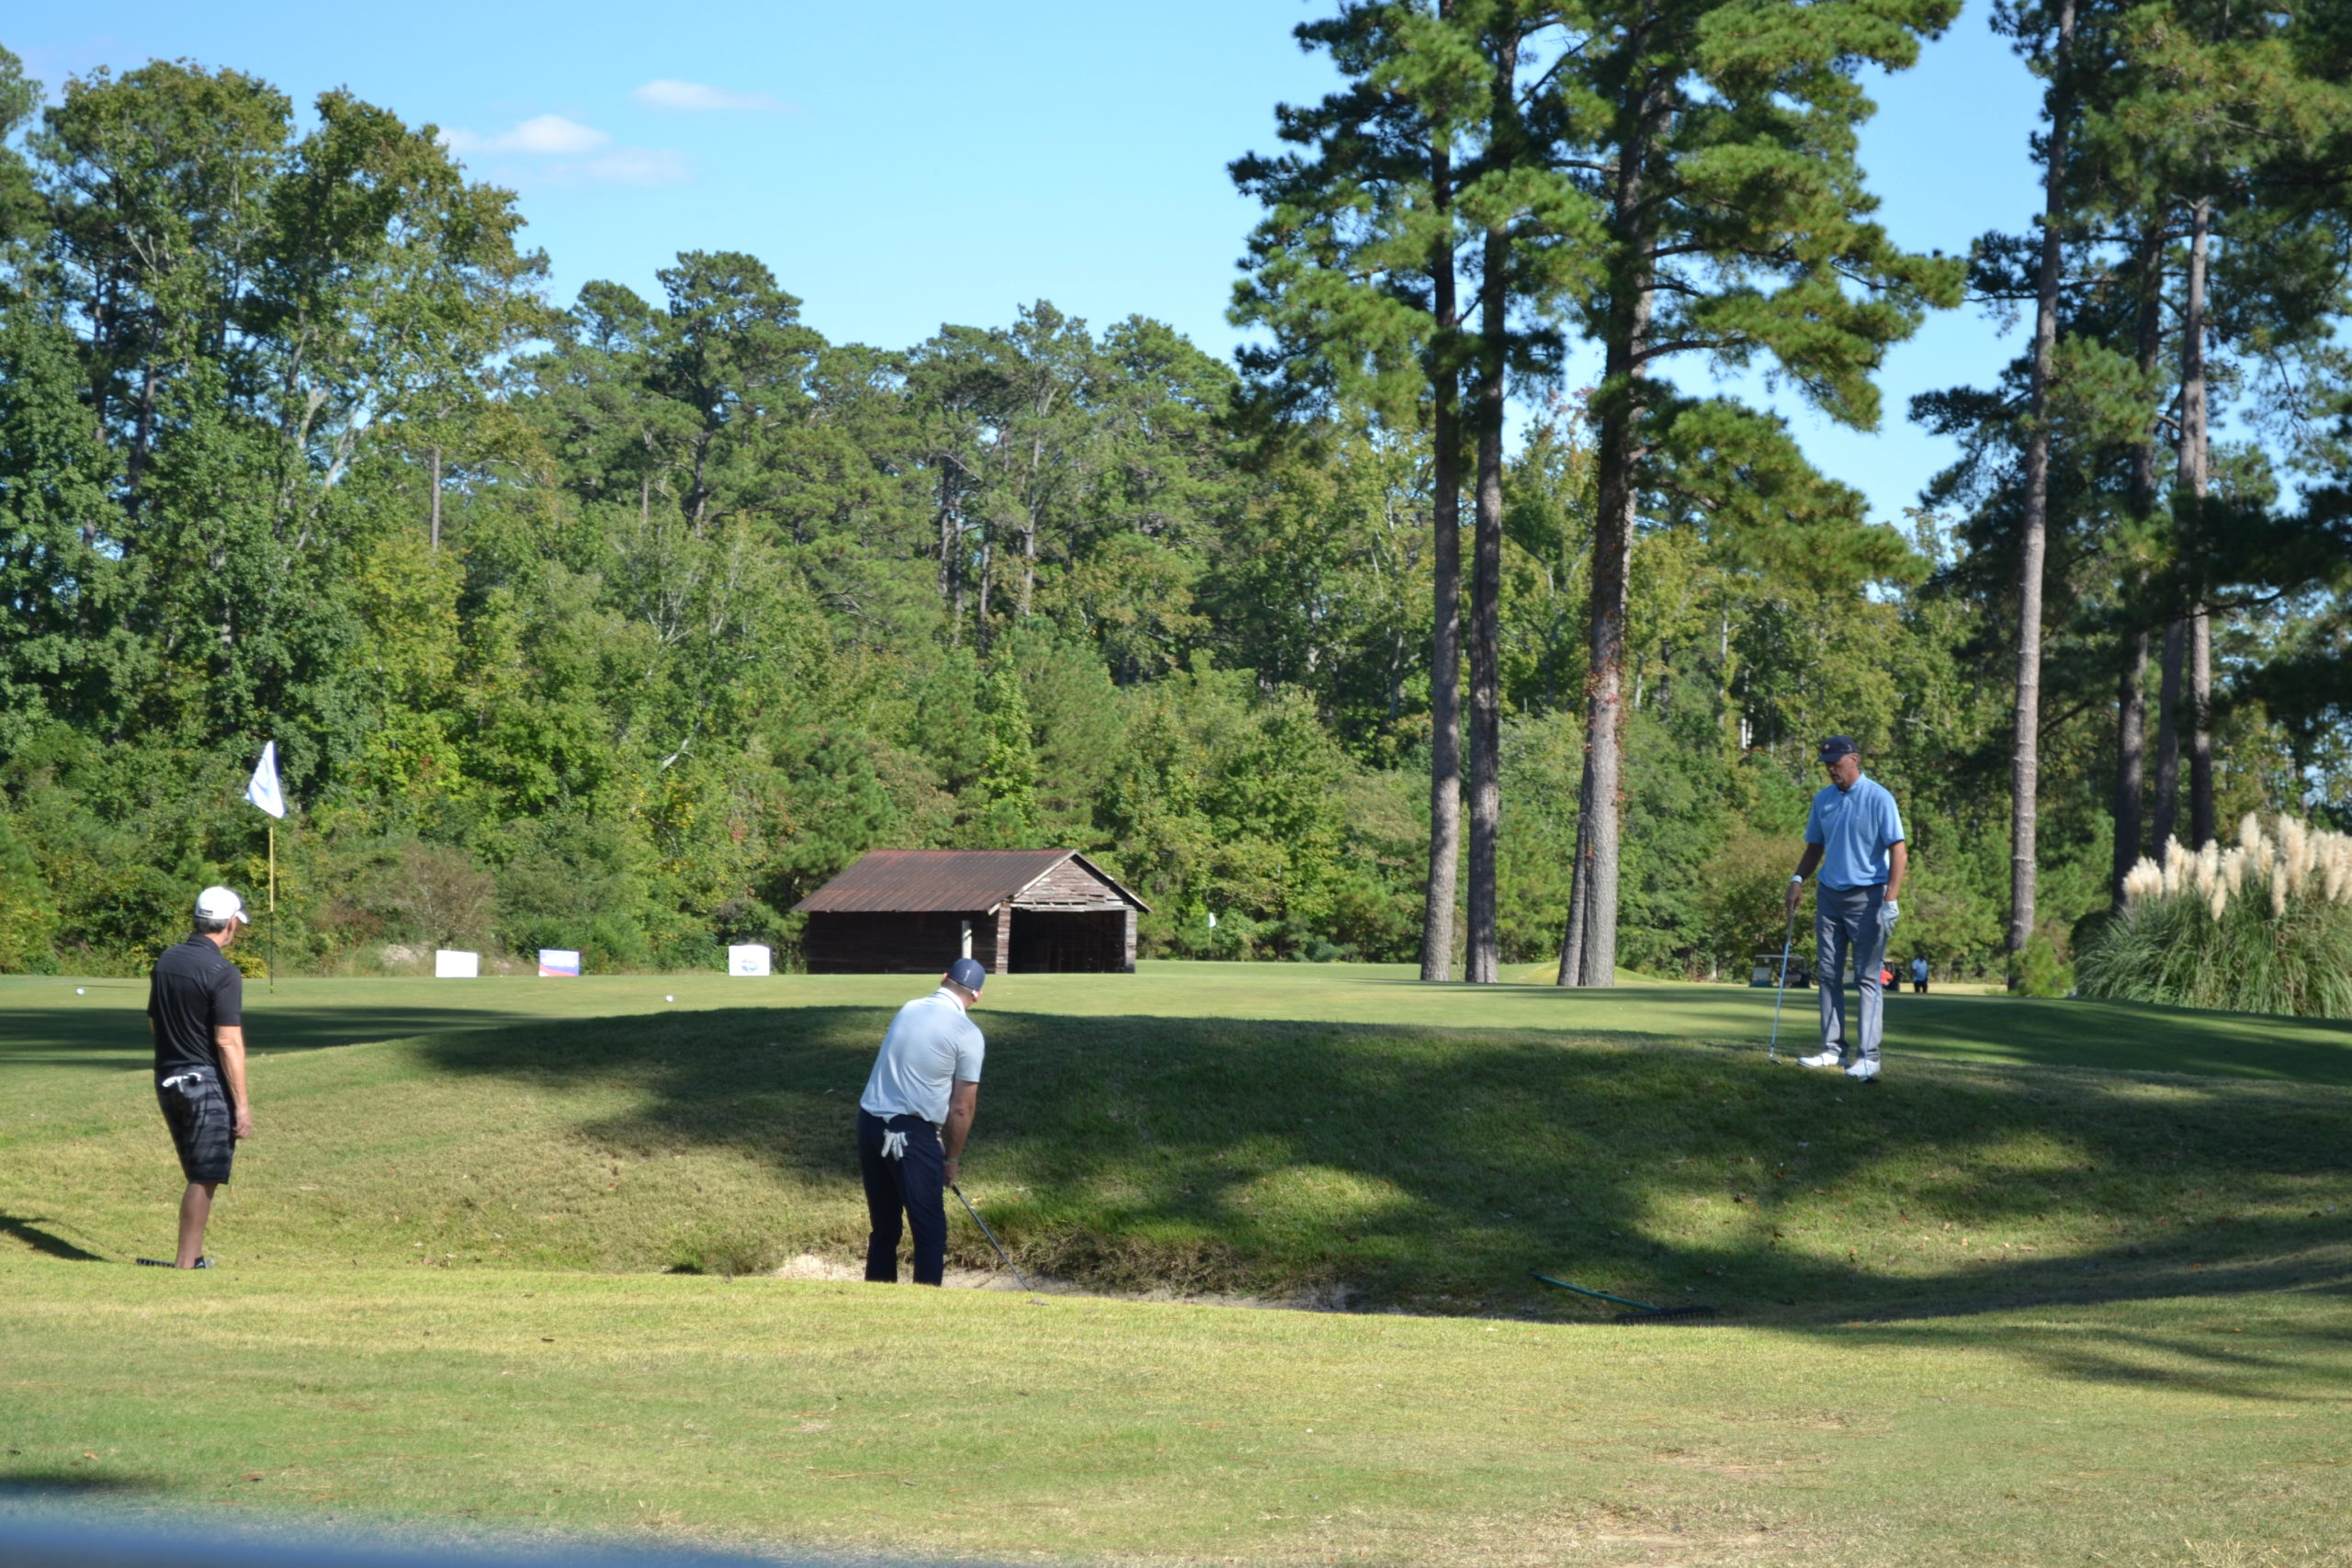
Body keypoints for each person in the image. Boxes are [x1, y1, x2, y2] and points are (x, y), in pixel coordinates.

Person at [141, 886, 255, 1269]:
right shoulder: (223, 972)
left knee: (197, 1171)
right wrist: (242, 1106)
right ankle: (186, 1264)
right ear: (230, 924)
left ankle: (194, 1258)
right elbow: (228, 1043)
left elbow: (156, 1024)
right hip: (203, 1080)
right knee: (205, 1175)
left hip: (166, 1077)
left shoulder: (167, 960)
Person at [856, 956, 987, 1285]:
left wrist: (933, 1132)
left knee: (885, 1226)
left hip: (870, 1124)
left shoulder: (909, 1008)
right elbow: (962, 1107)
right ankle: (927, 1302)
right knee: (930, 1230)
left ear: (944, 978)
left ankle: (875, 1298)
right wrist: (951, 1160)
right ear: (977, 996)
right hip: (909, 1134)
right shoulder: (967, 1034)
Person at [1784, 736, 1907, 1082]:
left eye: (1836, 763)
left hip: (1869, 896)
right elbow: (1814, 848)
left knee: (1867, 977)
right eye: (1827, 764)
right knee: (1827, 973)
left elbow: (1899, 851)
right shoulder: (1823, 799)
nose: (1831, 769)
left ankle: (1869, 1057)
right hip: (1829, 894)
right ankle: (1833, 1049)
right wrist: (1797, 879)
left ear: (1854, 760)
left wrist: (1891, 899)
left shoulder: (1879, 797)